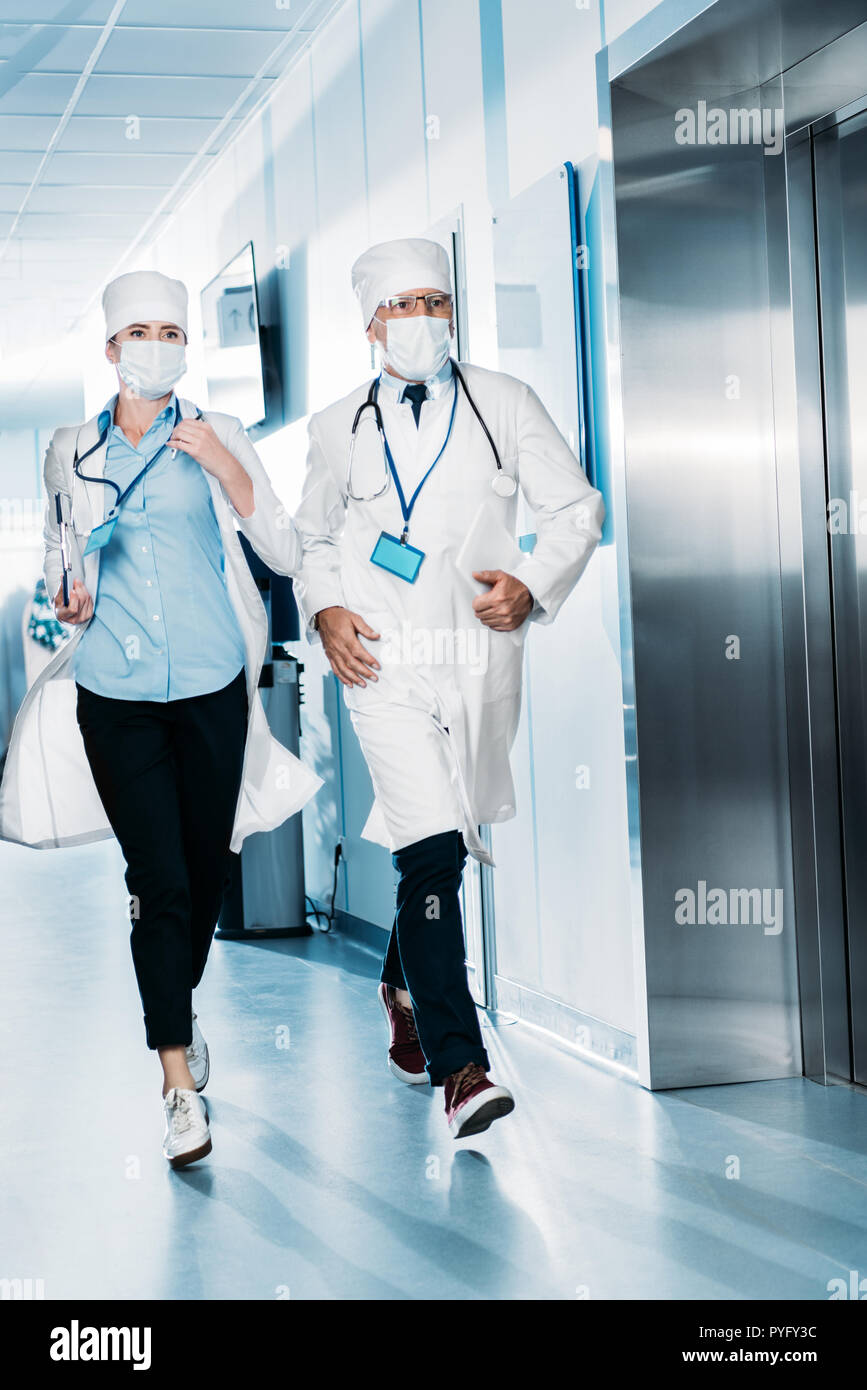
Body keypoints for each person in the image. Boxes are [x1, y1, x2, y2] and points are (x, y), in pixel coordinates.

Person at [0, 270, 321, 1167]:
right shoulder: (71, 448)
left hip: (213, 683)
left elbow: (285, 548)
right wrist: (65, 594)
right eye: (139, 333)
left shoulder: (220, 433)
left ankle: (173, 1000)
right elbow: (61, 554)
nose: (156, 347)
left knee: (206, 871)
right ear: (112, 349)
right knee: (157, 879)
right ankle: (177, 1083)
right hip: (116, 695)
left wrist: (227, 470)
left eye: (171, 334)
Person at [292, 238, 605, 1139]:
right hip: (381, 662)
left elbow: (573, 508)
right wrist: (326, 611)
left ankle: (399, 983)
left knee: (447, 843)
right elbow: (313, 538)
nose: (423, 319)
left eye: (436, 302)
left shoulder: (504, 401)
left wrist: (532, 583)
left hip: (476, 655)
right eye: (403, 305)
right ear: (371, 326)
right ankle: (461, 1068)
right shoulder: (335, 426)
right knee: (428, 853)